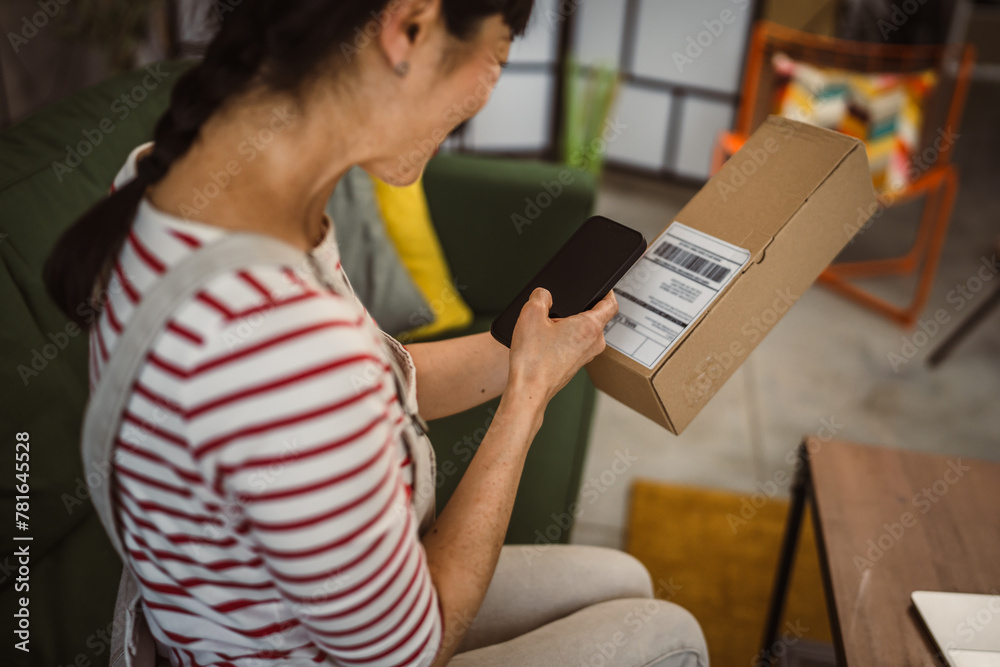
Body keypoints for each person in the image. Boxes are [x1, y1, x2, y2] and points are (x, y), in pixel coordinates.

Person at [43, 1, 709, 665]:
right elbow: (416, 647)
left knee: (624, 580)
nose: (488, 92)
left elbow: (375, 379)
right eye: (498, 57)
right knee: (669, 631)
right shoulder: (286, 341)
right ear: (410, 27)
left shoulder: (170, 186)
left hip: (257, 618)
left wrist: (524, 352)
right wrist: (525, 401)